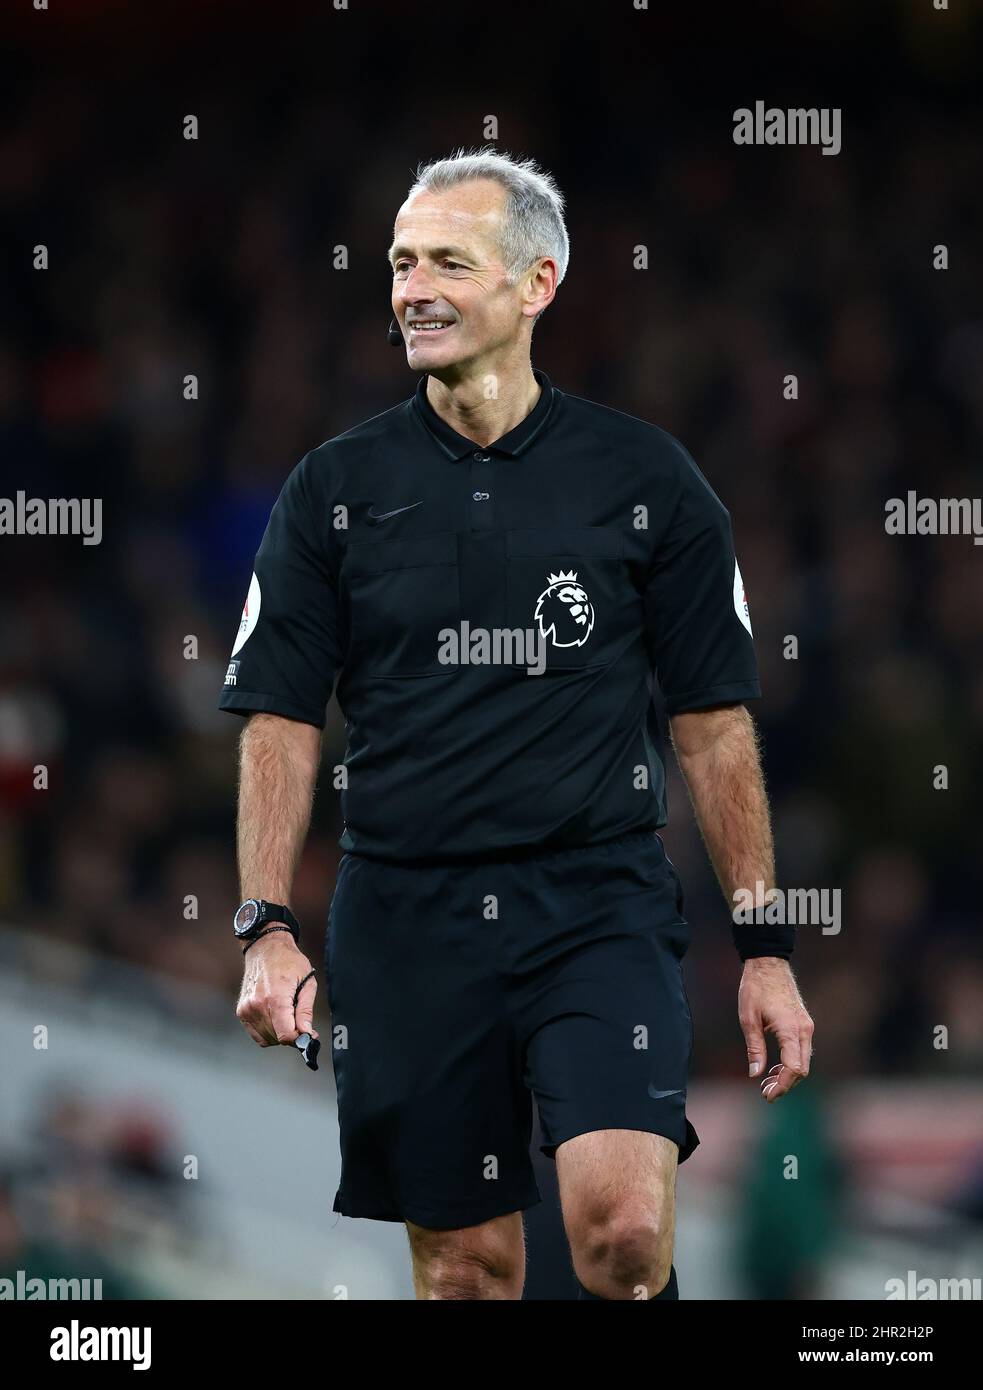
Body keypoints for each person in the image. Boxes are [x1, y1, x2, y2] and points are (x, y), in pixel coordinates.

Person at [220, 148, 814, 1300]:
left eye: (448, 259)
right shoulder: (331, 491)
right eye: (399, 263)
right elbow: (279, 717)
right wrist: (264, 923)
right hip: (405, 919)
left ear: (536, 282)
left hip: (594, 902)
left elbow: (711, 724)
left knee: (626, 1235)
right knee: (466, 1276)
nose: (412, 287)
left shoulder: (648, 481)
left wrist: (766, 948)